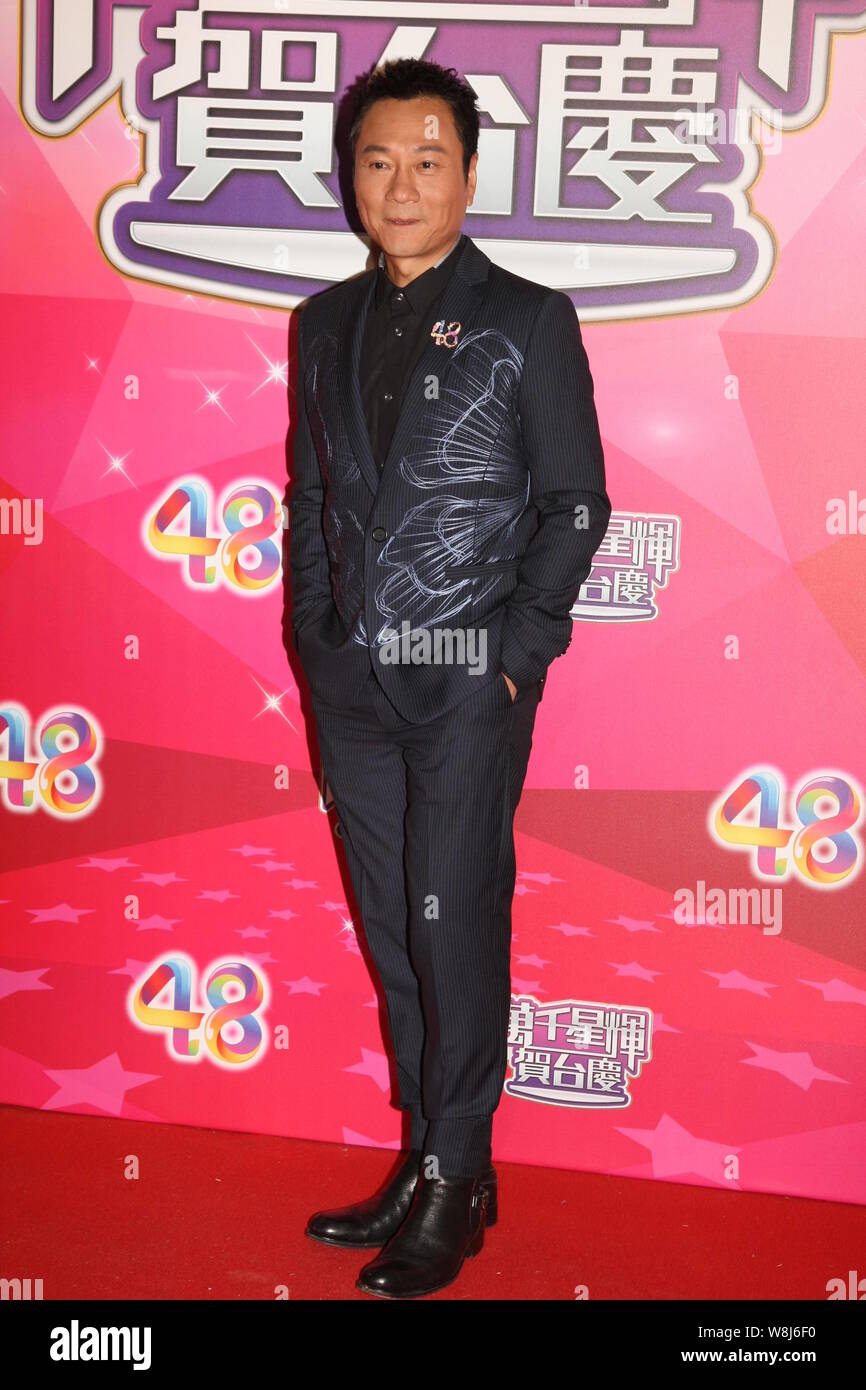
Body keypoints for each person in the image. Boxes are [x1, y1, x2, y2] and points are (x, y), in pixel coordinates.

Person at [283, 57, 611, 1299]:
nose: (401, 182)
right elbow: (312, 498)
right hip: (351, 689)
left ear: (468, 174)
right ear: (349, 176)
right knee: (389, 927)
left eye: (428, 158)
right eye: (377, 159)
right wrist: (314, 635)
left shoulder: (527, 318)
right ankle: (422, 1151)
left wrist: (512, 661)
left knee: (449, 920)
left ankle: (460, 1178)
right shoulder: (321, 323)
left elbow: (574, 503)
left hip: (464, 680)